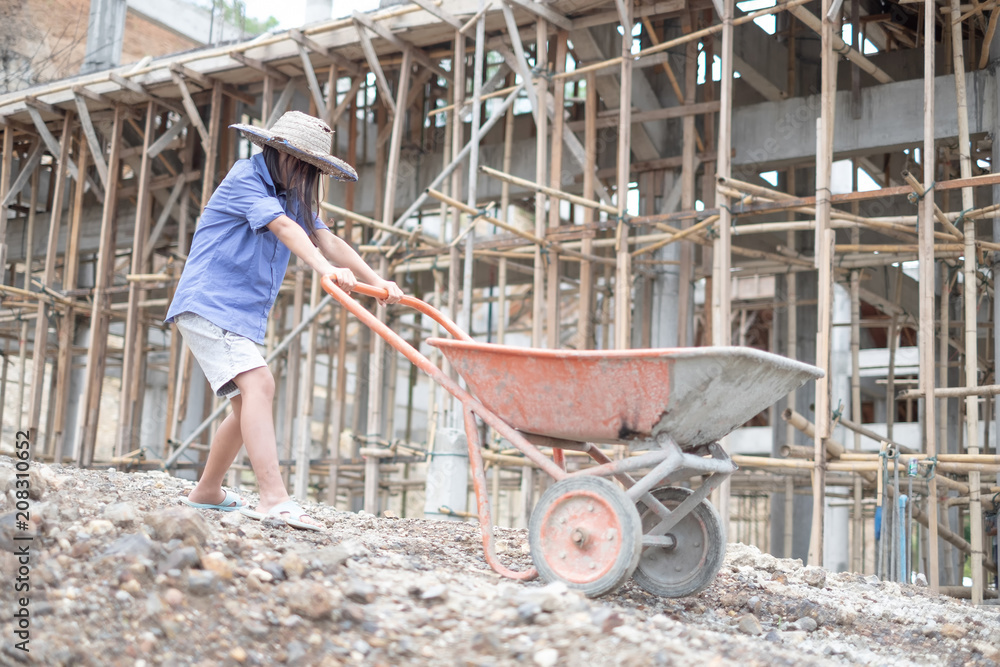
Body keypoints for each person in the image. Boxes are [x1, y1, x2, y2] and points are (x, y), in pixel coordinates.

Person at [166, 110, 403, 530]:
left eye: (313, 169)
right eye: (302, 164)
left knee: (246, 404)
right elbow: (284, 229)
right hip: (208, 301)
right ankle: (274, 498)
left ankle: (207, 491)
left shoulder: (290, 194)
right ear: (278, 153)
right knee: (260, 384)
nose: (306, 175)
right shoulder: (246, 178)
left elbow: (325, 237)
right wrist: (322, 270)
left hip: (234, 311)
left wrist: (375, 279)